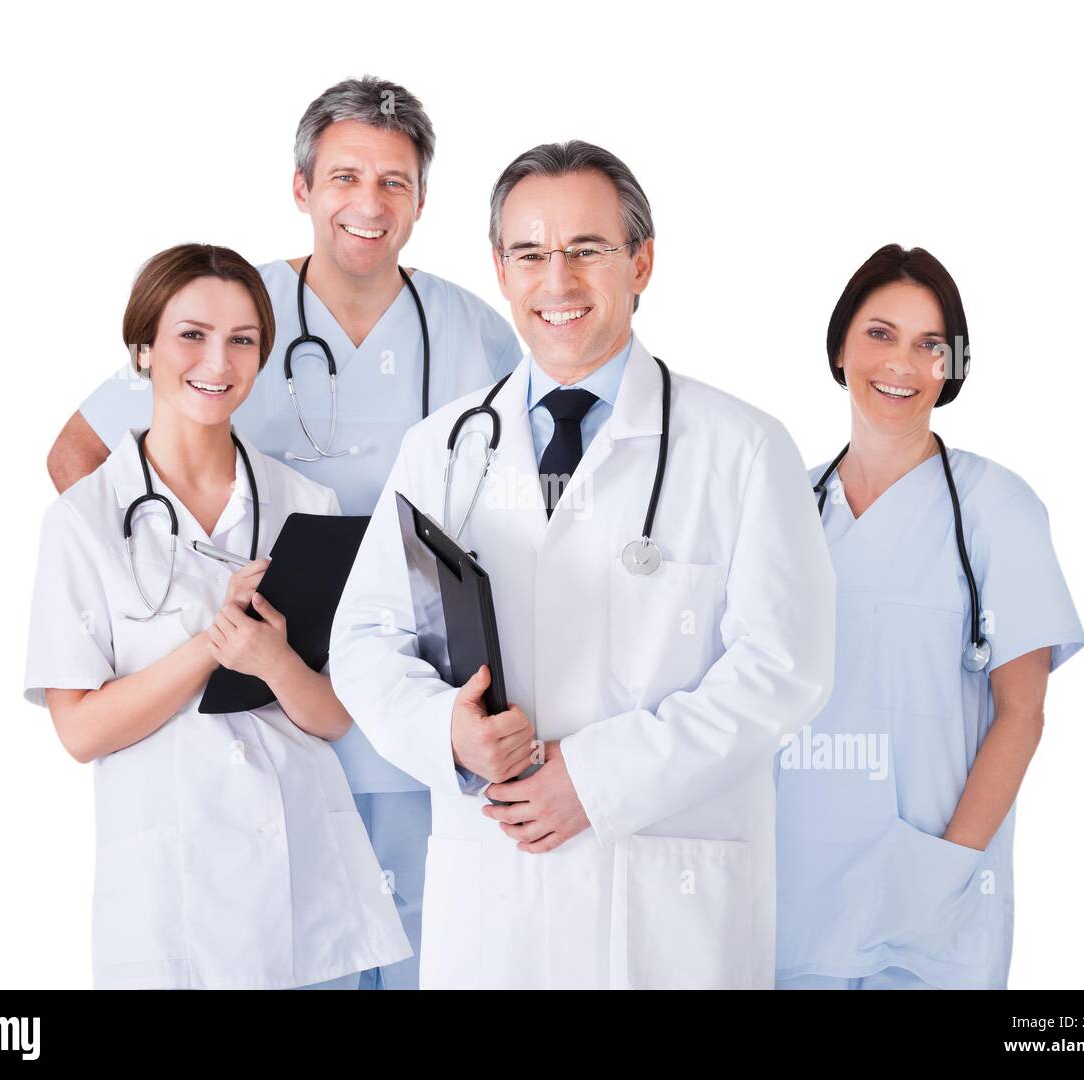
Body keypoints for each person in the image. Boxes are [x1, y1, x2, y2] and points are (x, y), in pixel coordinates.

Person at [45, 77, 522, 990]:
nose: (368, 204)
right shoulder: (232, 312)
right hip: (265, 706)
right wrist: (180, 591)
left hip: (417, 704)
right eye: (344, 176)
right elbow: (79, 453)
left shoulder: (475, 333)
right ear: (302, 188)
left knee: (427, 959)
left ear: (423, 199)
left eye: (394, 181)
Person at [327, 141, 837, 989]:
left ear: (641, 263)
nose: (556, 280)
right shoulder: (442, 448)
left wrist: (600, 780)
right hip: (494, 895)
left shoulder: (742, 448)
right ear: (500, 269)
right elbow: (365, 641)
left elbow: (785, 669)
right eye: (530, 253)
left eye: (587, 250)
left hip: (662, 906)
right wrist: (448, 733)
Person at [23, 244, 410, 989]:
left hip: (301, 878)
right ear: (143, 349)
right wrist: (213, 645)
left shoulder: (307, 505)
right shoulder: (83, 519)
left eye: (242, 340)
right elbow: (81, 731)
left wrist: (275, 661)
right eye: (191, 335)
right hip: (170, 892)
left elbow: (334, 716)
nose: (217, 361)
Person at [774, 244, 1084, 990]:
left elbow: (1022, 714)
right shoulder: (784, 506)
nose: (902, 363)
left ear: (952, 367)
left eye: (930, 345)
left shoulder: (997, 508)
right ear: (841, 347)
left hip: (931, 909)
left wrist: (940, 873)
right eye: (880, 334)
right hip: (791, 896)